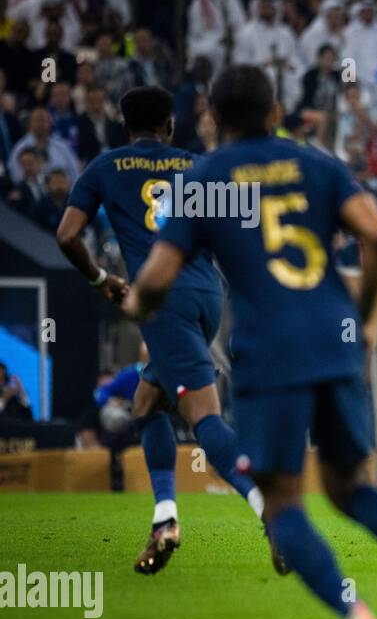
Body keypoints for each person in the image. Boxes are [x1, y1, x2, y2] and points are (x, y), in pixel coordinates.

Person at [122, 65, 377, 619]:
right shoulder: (315, 162)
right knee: (351, 488)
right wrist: (363, 317)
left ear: (212, 117)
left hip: (269, 355)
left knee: (284, 501)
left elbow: (158, 277)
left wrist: (134, 301)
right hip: (335, 342)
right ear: (275, 108)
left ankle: (354, 616)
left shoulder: (205, 177)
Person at [54, 85, 277, 576]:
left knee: (204, 418)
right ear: (171, 127)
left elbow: (67, 234)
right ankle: (165, 520)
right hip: (207, 295)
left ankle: (270, 510)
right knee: (146, 403)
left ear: (121, 125)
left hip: (163, 302)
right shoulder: (197, 166)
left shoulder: (105, 167)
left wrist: (99, 279)